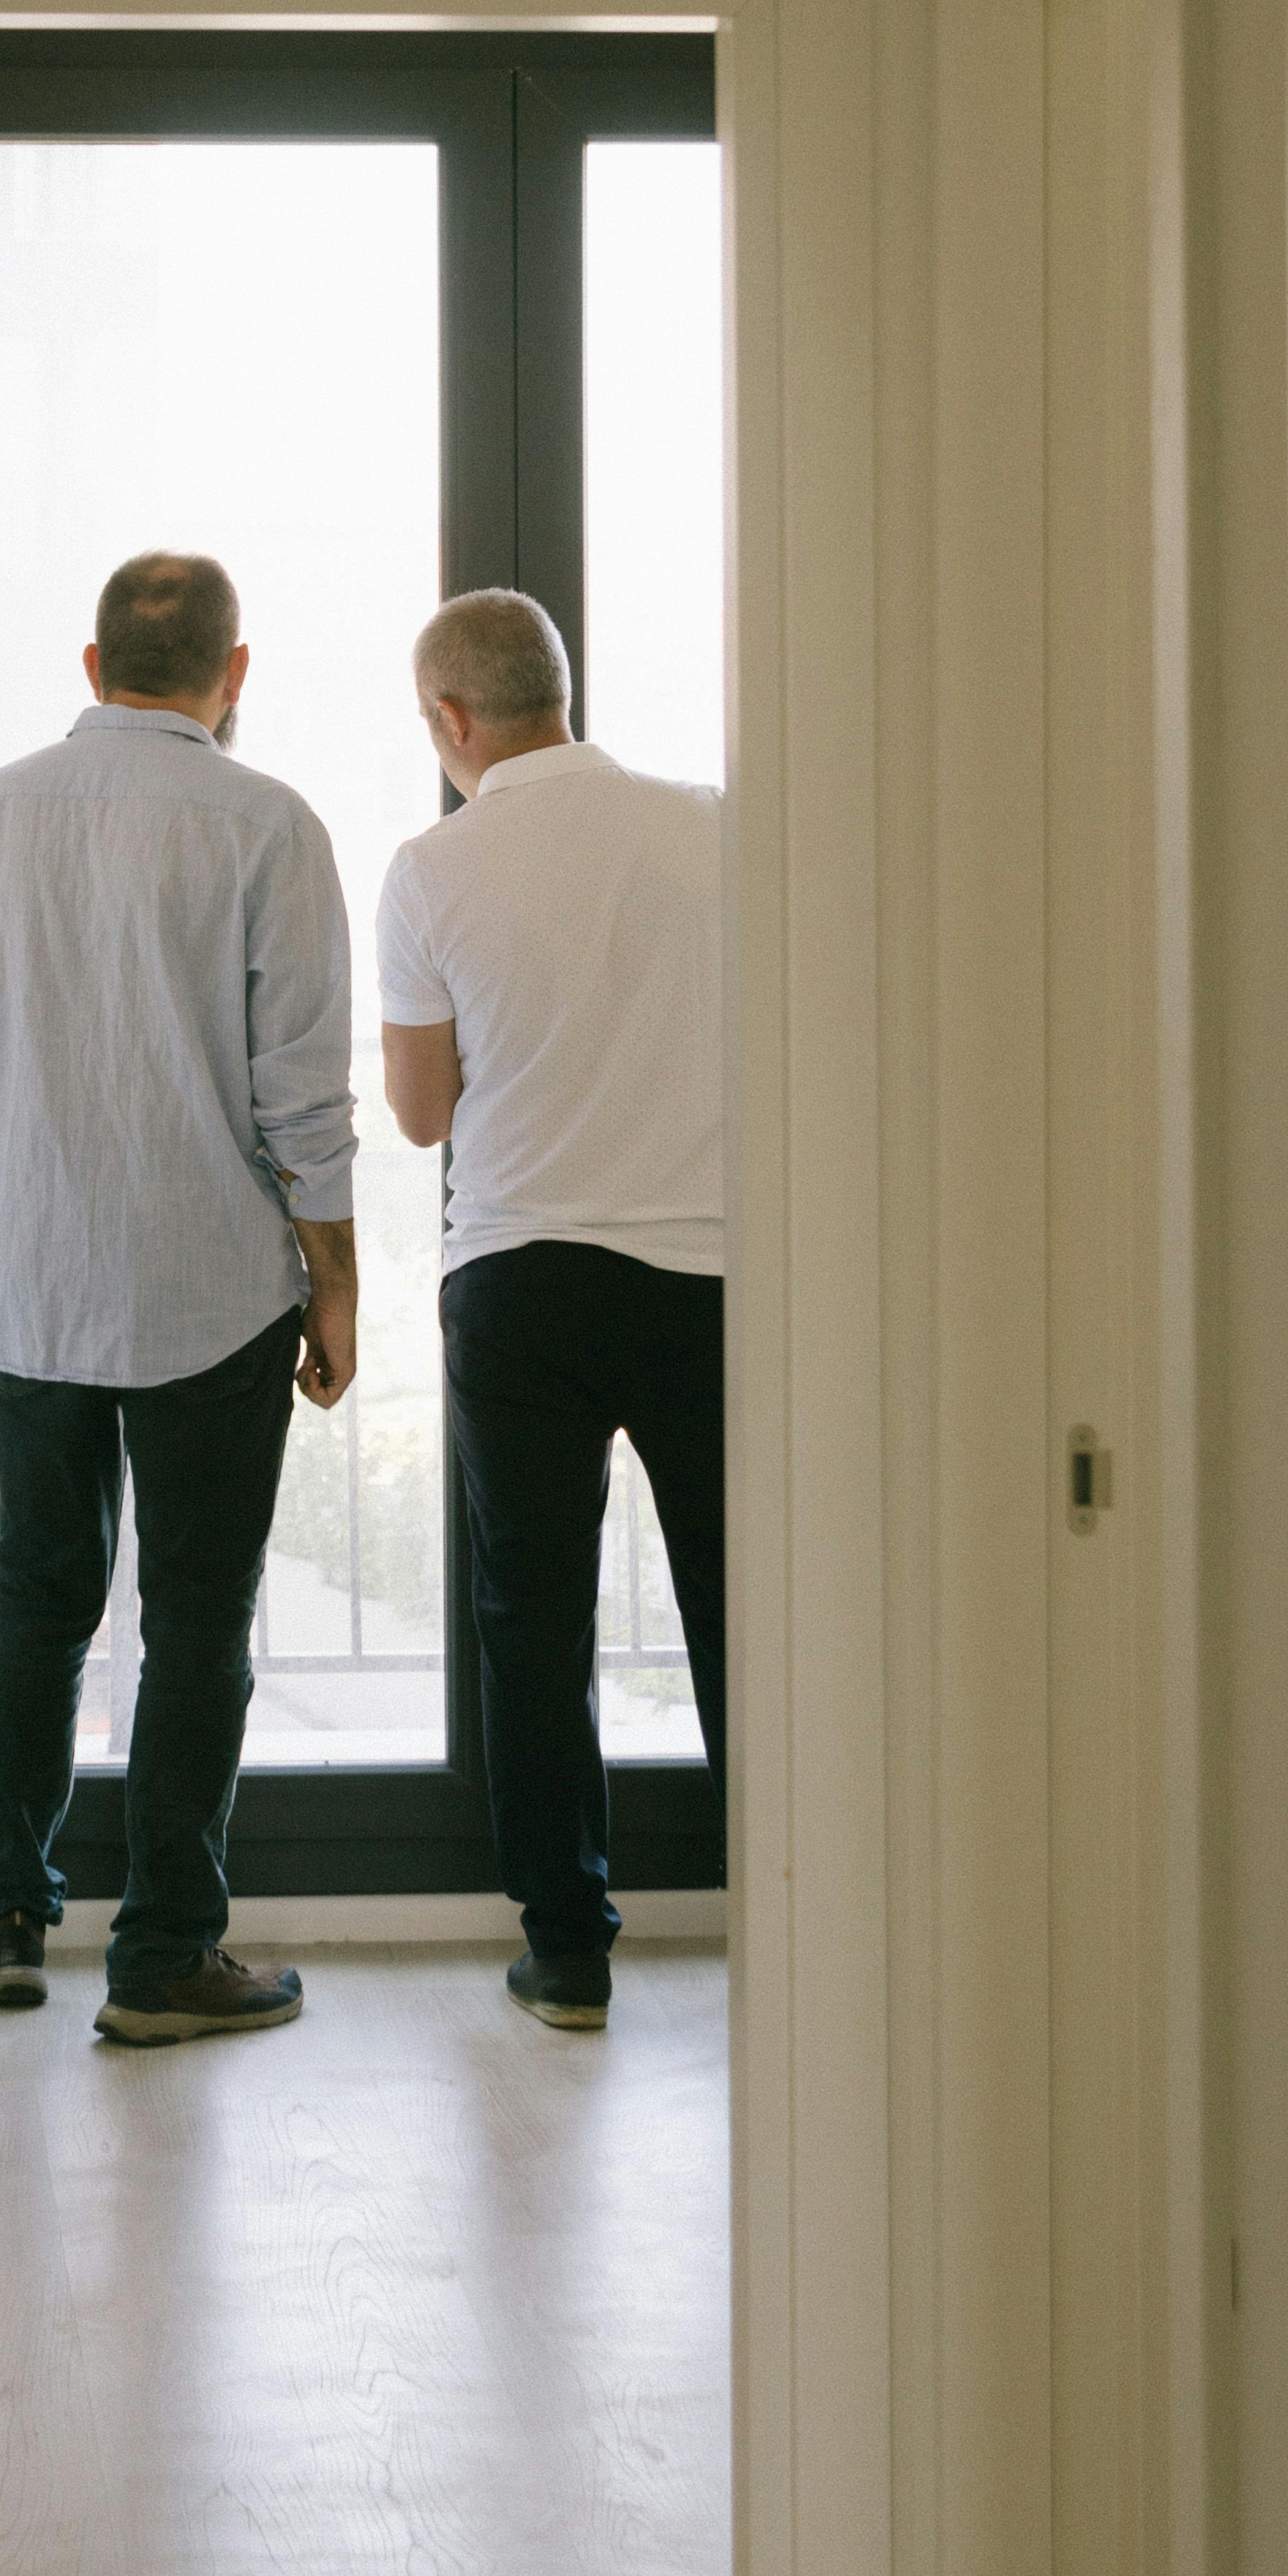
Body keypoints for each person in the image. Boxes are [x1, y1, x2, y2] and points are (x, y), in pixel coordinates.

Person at [0, 547, 358, 2045]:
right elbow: (300, 1093)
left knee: (36, 1596)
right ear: (232, 677)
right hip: (210, 1289)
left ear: (91, 667)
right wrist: (334, 1284)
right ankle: (164, 1956)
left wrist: (19, 1226)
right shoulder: (267, 826)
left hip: (32, 1287)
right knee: (195, 1621)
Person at [376, 587, 724, 2030]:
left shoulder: (429, 869)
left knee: (532, 1613)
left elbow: (416, 1115)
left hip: (519, 1272)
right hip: (710, 1265)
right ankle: (798, 1904)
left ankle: (566, 1945)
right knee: (740, 1597)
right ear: (555, 689)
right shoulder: (714, 822)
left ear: (451, 719)